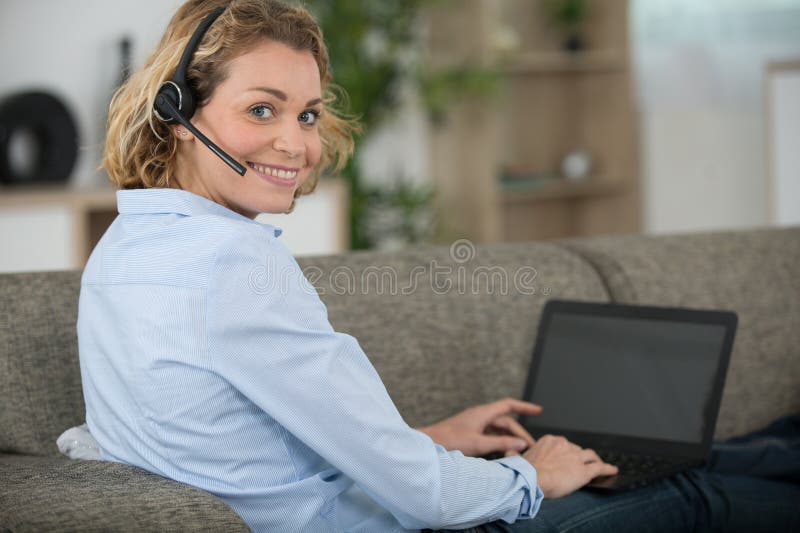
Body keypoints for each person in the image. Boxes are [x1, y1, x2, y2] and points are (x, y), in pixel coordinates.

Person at [80, 0, 799, 531]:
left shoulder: (125, 246)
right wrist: (529, 477)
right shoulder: (226, 265)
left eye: (305, 114)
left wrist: (427, 439)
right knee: (688, 493)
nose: (296, 145)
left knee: (697, 455)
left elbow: (253, 455)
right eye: (262, 110)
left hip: (365, 499)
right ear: (177, 111)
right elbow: (420, 498)